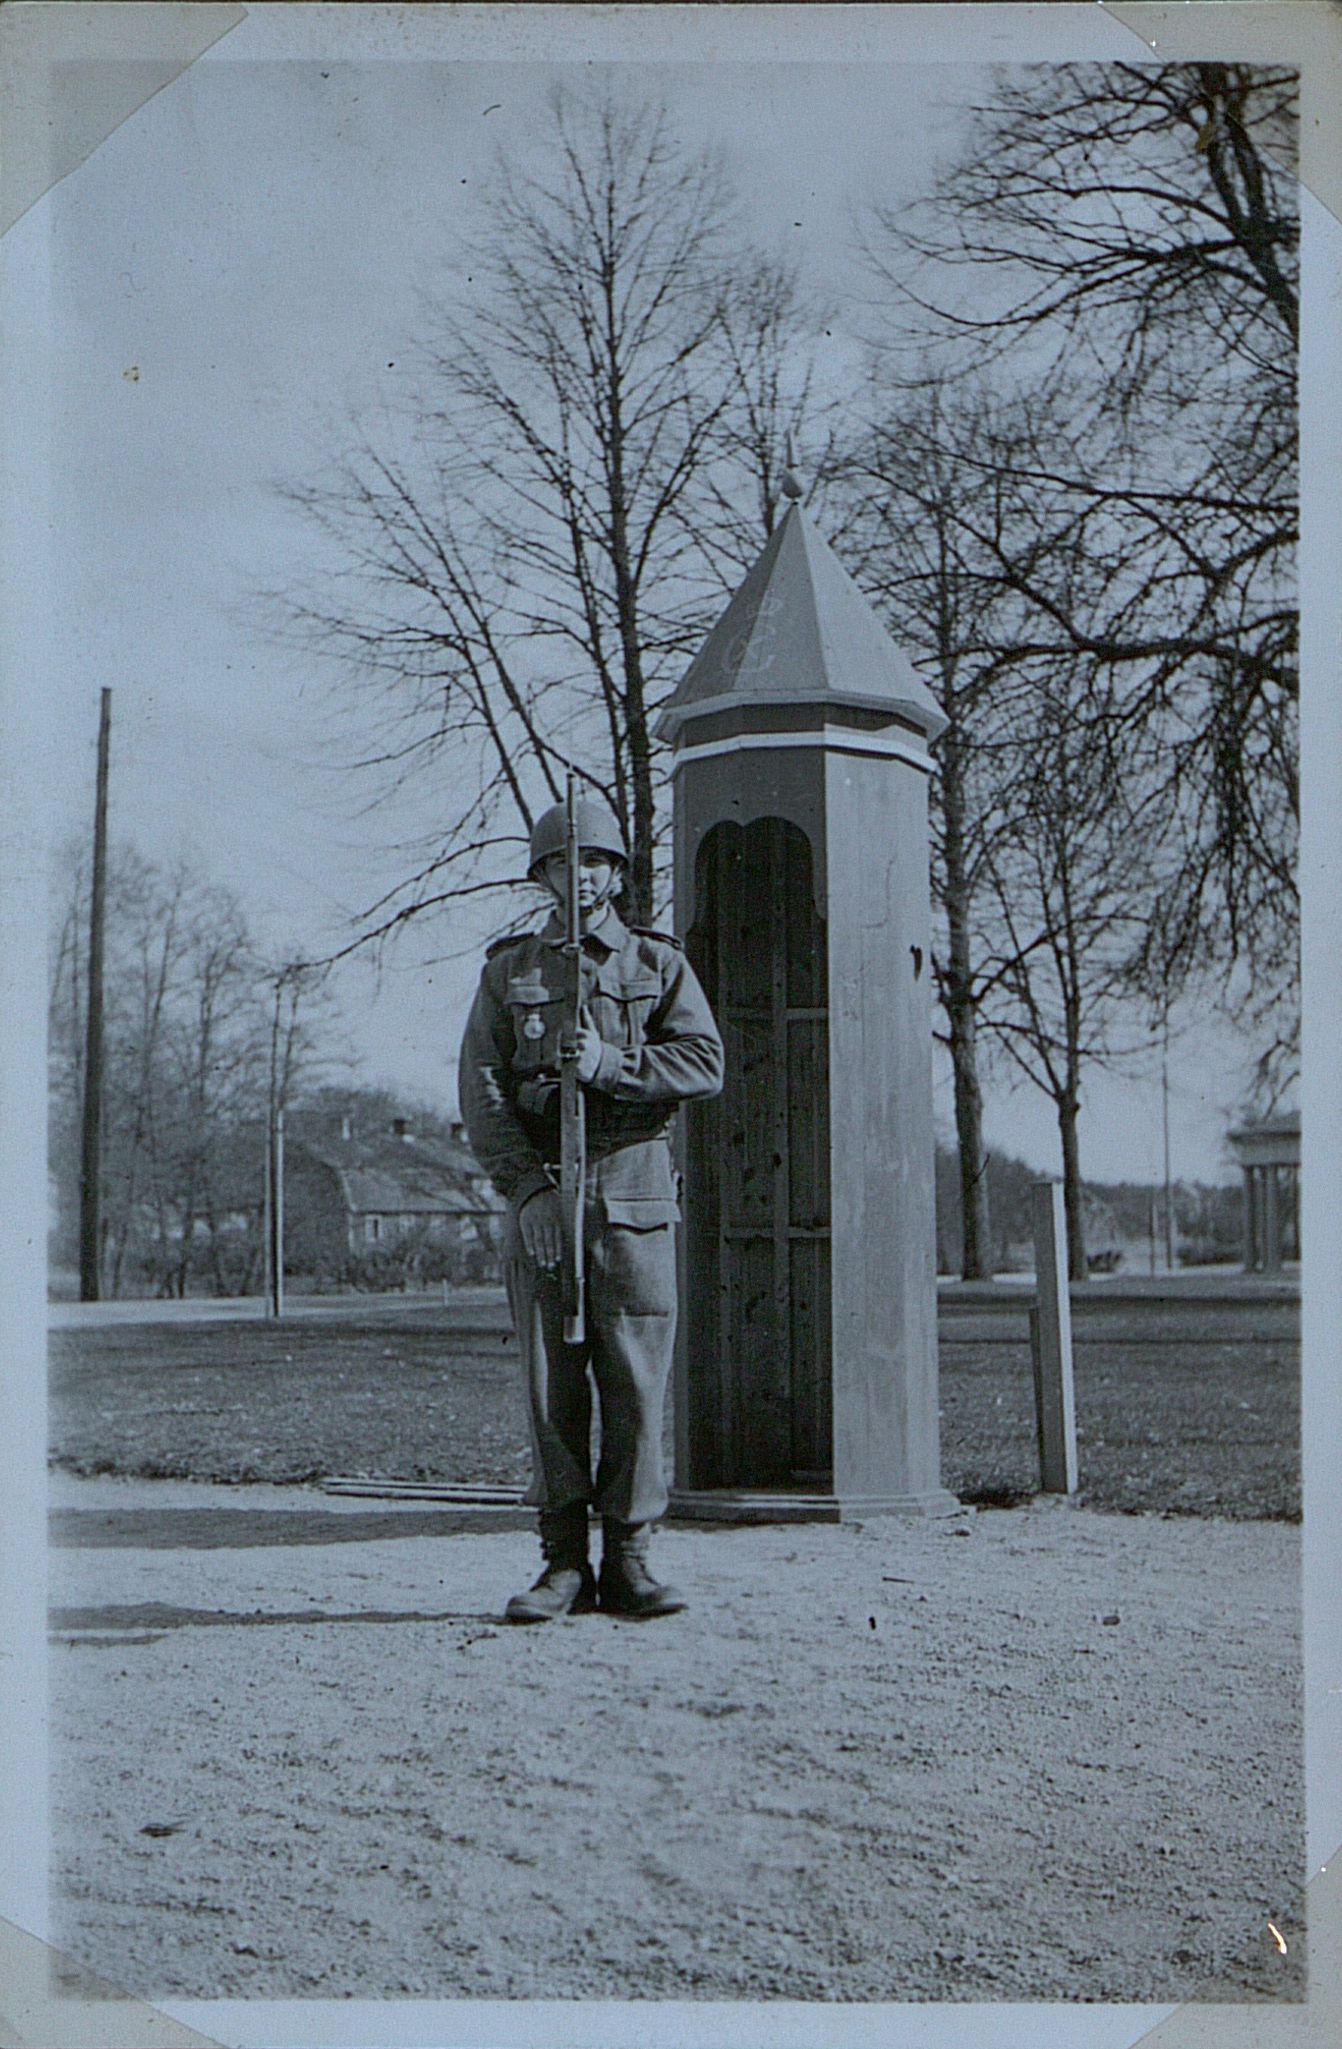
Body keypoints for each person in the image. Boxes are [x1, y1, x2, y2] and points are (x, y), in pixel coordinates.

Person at [458, 794, 724, 1623]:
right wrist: (528, 1190)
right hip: (547, 1198)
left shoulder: (656, 964)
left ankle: (633, 1558)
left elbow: (704, 1061)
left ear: (615, 872)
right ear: (542, 874)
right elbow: (483, 1088)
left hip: (634, 1195)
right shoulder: (509, 971)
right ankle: (563, 1560)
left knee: (637, 1383)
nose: (579, 878)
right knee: (551, 1384)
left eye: (595, 863)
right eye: (562, 864)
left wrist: (614, 1061)